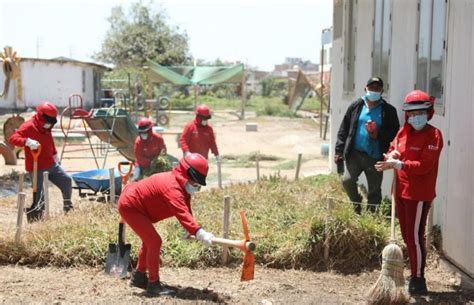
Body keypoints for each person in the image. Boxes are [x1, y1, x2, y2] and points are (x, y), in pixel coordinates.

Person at [375, 90, 443, 295]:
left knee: (414, 237)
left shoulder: (434, 135)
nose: (415, 117)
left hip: (418, 194)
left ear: (428, 112)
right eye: (411, 114)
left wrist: (400, 164)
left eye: (419, 112)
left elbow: (424, 166)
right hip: (400, 191)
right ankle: (414, 272)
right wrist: (391, 155)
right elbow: (392, 148)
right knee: (406, 235)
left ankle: (418, 279)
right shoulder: (404, 132)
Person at [118, 153, 215, 296]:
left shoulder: (179, 183)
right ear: (187, 174)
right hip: (131, 206)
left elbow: (186, 207)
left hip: (137, 205)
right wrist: (199, 232)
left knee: (149, 241)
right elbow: (181, 211)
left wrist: (189, 229)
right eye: (195, 183)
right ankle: (153, 285)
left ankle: (139, 277)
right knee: (154, 242)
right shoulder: (172, 188)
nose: (195, 187)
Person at [335, 77, 400, 213]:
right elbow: (344, 129)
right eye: (371, 88)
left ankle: (371, 217)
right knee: (347, 181)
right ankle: (356, 204)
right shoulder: (356, 106)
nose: (374, 91)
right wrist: (339, 151)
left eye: (377, 88)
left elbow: (394, 132)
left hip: (375, 157)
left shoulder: (388, 110)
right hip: (355, 154)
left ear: (382, 91)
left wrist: (377, 134)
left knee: (374, 190)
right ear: (365, 89)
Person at [9, 102, 73, 222]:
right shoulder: (28, 126)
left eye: (51, 122)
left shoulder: (47, 127)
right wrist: (27, 141)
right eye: (48, 122)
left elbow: (50, 141)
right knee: (39, 195)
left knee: (66, 180)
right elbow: (13, 139)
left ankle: (68, 206)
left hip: (51, 164)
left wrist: (55, 155)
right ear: (40, 116)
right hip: (35, 167)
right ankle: (38, 218)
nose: (49, 125)